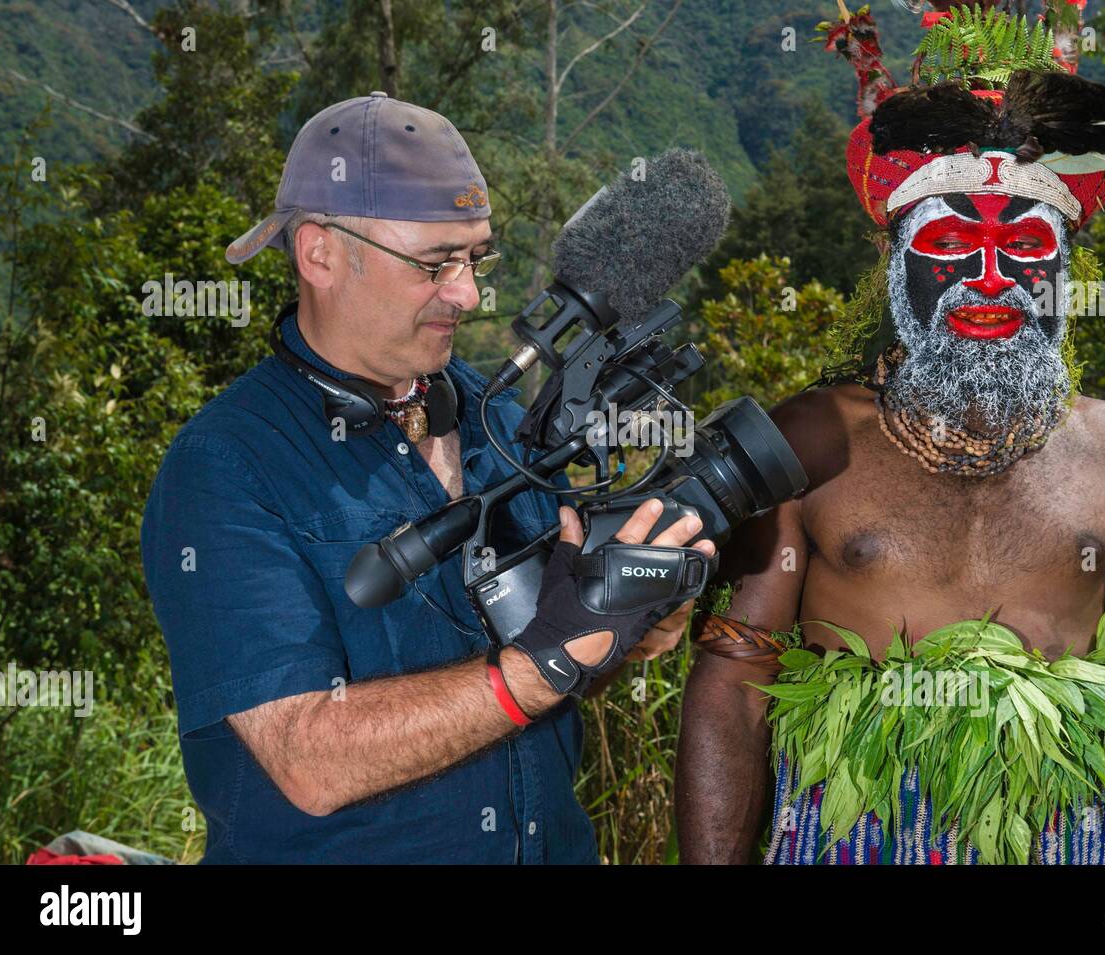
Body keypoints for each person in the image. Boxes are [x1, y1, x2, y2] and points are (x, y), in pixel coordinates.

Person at [675, 6, 1105, 865]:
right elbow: (735, 685)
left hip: (1075, 839)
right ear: (899, 269)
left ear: (1065, 273)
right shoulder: (808, 442)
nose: (991, 280)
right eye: (955, 245)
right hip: (855, 835)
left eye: (1027, 249)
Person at [141, 92, 713, 863]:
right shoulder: (225, 466)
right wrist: (540, 665)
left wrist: (616, 632)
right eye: (433, 264)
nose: (469, 294)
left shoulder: (500, 419)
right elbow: (307, 757)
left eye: (476, 258)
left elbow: (537, 669)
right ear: (320, 253)